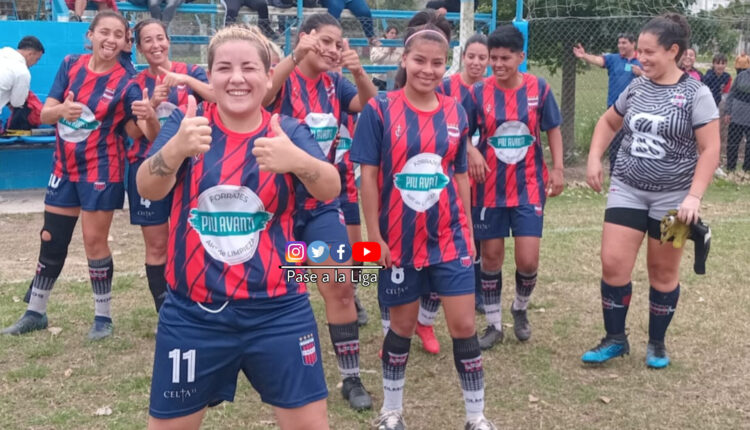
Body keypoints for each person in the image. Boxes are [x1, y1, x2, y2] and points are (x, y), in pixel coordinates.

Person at [136, 24, 339, 429]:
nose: (237, 77)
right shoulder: (188, 124)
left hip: (278, 310)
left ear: (268, 77)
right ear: (209, 77)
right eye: (224, 68)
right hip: (194, 314)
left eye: (249, 67)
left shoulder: (289, 131)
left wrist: (295, 160)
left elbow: (330, 186)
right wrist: (176, 149)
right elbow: (148, 187)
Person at [353, 9, 497, 430]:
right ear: (404, 60)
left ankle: (476, 417)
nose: (428, 70)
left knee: (464, 325)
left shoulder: (456, 111)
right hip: (397, 240)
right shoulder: (379, 109)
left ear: (446, 63)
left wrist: (468, 229)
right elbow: (368, 178)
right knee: (400, 325)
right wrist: (373, 238)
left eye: (438, 63)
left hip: (449, 236)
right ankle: (391, 411)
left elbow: (457, 175)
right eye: (420, 61)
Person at [2, 11, 157, 340]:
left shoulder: (128, 80)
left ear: (125, 41)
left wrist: (151, 112)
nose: (111, 39)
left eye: (119, 34)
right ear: (90, 35)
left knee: (94, 241)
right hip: (64, 166)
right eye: (105, 32)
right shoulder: (71, 64)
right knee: (51, 238)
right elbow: (45, 114)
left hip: (102, 168)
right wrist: (61, 111)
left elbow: (139, 130)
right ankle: (36, 312)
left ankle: (103, 318)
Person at [582, 13, 719, 369]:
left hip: (674, 198)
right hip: (627, 188)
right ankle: (615, 339)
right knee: (612, 263)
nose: (640, 58)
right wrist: (595, 157)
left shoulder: (696, 93)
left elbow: (710, 150)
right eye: (639, 51)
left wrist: (693, 197)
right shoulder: (637, 86)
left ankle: (656, 344)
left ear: (673, 51)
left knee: (663, 272)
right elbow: (609, 121)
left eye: (648, 51)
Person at [264, 12, 377, 412]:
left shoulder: (334, 83)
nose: (332, 50)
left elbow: (366, 102)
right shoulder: (284, 75)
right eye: (325, 42)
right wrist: (295, 55)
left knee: (340, 286)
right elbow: (262, 95)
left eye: (337, 44)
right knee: (279, 289)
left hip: (320, 203)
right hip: (275, 205)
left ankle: (351, 377)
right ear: (305, 38)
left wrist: (358, 70)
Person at [466, 25, 564, 350]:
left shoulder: (539, 88)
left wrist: (559, 169)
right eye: (493, 58)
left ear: (521, 57)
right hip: (488, 188)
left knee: (528, 261)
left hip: (529, 186)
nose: (498, 64)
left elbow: (552, 128)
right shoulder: (479, 92)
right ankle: (494, 324)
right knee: (491, 258)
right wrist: (471, 151)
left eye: (505, 58)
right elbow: (458, 131)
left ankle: (519, 308)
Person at [400, 33, 490, 355]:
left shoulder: (480, 93)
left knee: (448, 257)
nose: (477, 63)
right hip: (408, 199)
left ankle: (426, 320)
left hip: (453, 188)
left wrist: (472, 150)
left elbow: (470, 135)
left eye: (484, 57)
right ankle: (397, 328)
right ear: (462, 57)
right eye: (472, 56)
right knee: (389, 262)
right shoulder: (444, 87)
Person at [127, 18, 212, 314]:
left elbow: (219, 98)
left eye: (160, 38)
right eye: (147, 40)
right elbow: (145, 137)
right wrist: (150, 111)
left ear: (168, 40)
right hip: (150, 170)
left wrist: (187, 82)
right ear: (138, 48)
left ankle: (196, 300)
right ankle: (165, 312)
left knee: (192, 239)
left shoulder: (193, 73)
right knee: (157, 246)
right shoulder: (135, 85)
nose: (156, 45)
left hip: (192, 170)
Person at [573, 33, 641, 169]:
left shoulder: (642, 61)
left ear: (633, 44)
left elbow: (654, 79)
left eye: (624, 43)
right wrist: (584, 56)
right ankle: (614, 173)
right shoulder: (614, 59)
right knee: (615, 142)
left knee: (635, 142)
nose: (620, 45)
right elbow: (599, 60)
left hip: (636, 109)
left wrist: (642, 74)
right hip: (615, 108)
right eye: (619, 43)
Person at [0, 36, 44, 111]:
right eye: (37, 59)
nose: (36, 63)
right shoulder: (22, 72)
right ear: (30, 54)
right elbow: (17, 103)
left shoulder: (2, 52)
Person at [725, 68, 750, 172]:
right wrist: (728, 112)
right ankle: (730, 169)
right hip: (736, 116)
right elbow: (731, 94)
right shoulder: (742, 75)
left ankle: (747, 170)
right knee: (732, 144)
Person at [370, 26, 403, 91]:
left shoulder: (400, 46)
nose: (394, 35)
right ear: (386, 34)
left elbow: (401, 60)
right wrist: (387, 51)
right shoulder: (378, 44)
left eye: (395, 33)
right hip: (379, 78)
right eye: (392, 33)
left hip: (393, 78)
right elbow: (373, 59)